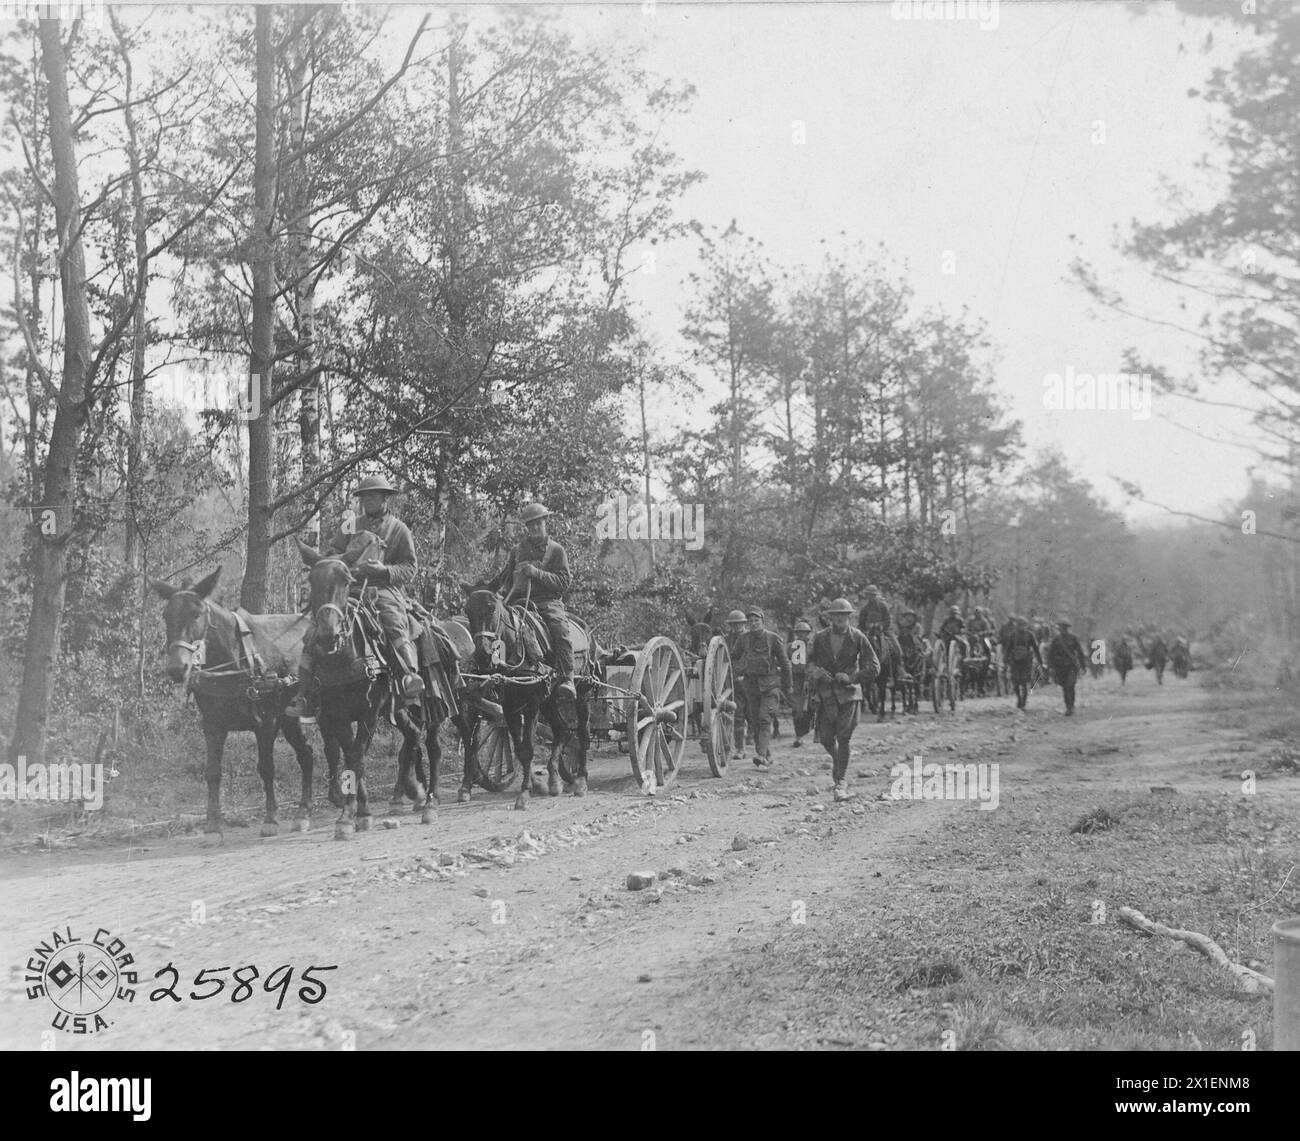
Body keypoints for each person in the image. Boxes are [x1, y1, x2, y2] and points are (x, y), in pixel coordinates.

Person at [288, 474, 423, 719]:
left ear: (385, 497)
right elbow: (334, 553)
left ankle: (409, 678)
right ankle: (304, 695)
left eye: (374, 495)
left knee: (393, 624)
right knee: (313, 631)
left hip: (382, 590)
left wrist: (385, 571)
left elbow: (410, 568)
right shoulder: (349, 526)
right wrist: (334, 567)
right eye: (364, 496)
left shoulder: (398, 529)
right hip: (347, 588)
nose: (369, 500)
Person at [487, 502, 575, 701]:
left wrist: (537, 573)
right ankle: (497, 670)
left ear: (545, 523)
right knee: (498, 628)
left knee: (561, 633)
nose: (534, 528)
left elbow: (564, 582)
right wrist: (489, 591)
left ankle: (566, 678)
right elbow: (505, 577)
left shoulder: (556, 550)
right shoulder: (517, 551)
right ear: (526, 527)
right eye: (530, 525)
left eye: (538, 524)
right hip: (516, 602)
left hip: (547, 603)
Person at [806, 598, 879, 801]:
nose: (839, 618)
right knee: (826, 739)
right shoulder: (819, 638)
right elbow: (807, 662)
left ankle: (841, 781)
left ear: (849, 617)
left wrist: (852, 678)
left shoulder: (858, 637)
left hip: (849, 694)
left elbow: (874, 666)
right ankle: (840, 764)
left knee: (844, 737)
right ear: (830, 617)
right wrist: (817, 672)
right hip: (826, 694)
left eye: (843, 615)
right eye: (835, 615)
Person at [734, 607, 792, 768]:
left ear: (762, 622)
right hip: (751, 686)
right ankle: (768, 755)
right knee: (755, 722)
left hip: (770, 686)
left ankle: (760, 754)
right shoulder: (743, 639)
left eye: (756, 621)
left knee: (764, 718)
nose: (753, 624)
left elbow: (784, 662)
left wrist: (789, 685)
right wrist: (738, 670)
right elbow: (733, 657)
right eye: (750, 621)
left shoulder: (773, 638)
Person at [1047, 619, 1089, 715]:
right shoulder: (1056, 640)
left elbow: (1080, 652)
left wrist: (1083, 666)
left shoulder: (1073, 638)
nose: (1062, 629)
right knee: (1065, 687)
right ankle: (1068, 706)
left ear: (1067, 628)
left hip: (1071, 666)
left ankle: (1071, 706)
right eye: (1061, 627)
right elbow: (1050, 654)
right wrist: (1051, 667)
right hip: (1060, 667)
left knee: (1070, 685)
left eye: (1064, 627)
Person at [724, 610, 749, 760]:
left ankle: (763, 750)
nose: (736, 627)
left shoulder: (750, 638)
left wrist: (743, 672)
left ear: (744, 624)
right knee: (737, 715)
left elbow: (750, 657)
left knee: (755, 716)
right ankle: (740, 749)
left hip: (749, 680)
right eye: (733, 624)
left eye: (739, 624)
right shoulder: (726, 639)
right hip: (731, 681)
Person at [1002, 615, 1042, 711]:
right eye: (1020, 625)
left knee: (1024, 682)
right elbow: (1008, 649)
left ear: (1026, 625)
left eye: (1023, 625)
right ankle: (1019, 698)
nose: (1021, 627)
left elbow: (1036, 648)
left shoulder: (1030, 635)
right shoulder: (1013, 635)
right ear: (1017, 625)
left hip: (1026, 662)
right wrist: (1005, 660)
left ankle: (1023, 701)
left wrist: (1040, 660)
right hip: (1015, 661)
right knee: (1015, 682)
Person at [788, 619, 814, 747]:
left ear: (808, 633)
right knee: (797, 708)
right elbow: (786, 661)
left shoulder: (813, 646)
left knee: (813, 706)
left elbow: (816, 661)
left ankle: (817, 731)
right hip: (796, 680)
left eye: (804, 633)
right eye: (799, 633)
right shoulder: (791, 646)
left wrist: (809, 677)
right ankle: (799, 736)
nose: (801, 635)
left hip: (812, 679)